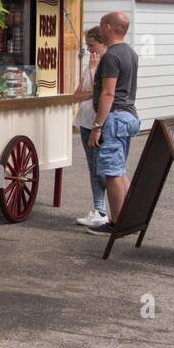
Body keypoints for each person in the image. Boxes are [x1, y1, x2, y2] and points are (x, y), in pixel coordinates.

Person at [86, 12, 140, 235]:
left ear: (109, 27)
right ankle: (129, 219)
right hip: (129, 115)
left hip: (115, 117)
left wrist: (97, 127)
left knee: (111, 173)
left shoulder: (111, 57)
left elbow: (108, 93)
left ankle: (118, 223)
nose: (100, 28)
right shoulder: (131, 53)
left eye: (101, 24)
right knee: (119, 171)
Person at [73, 26, 109, 227]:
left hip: (99, 123)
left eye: (92, 46)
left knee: (103, 168)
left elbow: (102, 93)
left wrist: (94, 71)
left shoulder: (105, 64)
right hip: (86, 121)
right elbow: (75, 95)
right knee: (93, 168)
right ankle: (99, 209)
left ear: (103, 43)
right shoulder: (89, 67)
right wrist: (90, 91)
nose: (90, 51)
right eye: (87, 47)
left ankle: (109, 209)